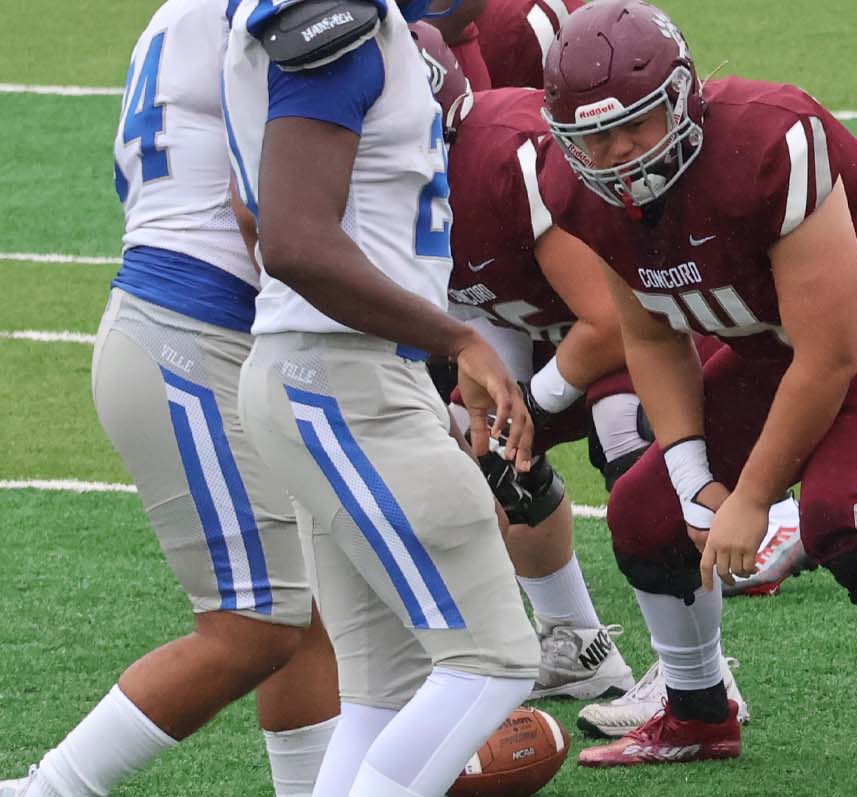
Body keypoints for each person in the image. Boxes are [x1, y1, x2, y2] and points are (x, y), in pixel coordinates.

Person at [539, 2, 857, 791]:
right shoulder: (575, 191)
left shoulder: (769, 142)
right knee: (647, 512)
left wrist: (752, 497)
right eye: (593, 137)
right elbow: (653, 336)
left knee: (841, 507)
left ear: (682, 97)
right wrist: (695, 480)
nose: (617, 152)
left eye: (634, 124)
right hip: (779, 346)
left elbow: (831, 354)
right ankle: (698, 711)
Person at [0, 2, 340, 795]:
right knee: (254, 624)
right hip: (193, 337)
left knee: (303, 614)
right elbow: (262, 212)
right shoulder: (270, 15)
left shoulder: (176, 17)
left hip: (181, 326)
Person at [222, 1, 540, 794]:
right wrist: (458, 339)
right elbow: (294, 239)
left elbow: (252, 208)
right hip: (343, 378)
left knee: (383, 690)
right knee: (494, 659)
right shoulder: (333, 25)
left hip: (328, 374)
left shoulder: (353, 24)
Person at [439, 84, 759, 724]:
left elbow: (617, 323)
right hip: (560, 336)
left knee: (627, 431)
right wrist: (501, 401)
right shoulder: (391, 194)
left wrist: (534, 400)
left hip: (653, 330)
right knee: (483, 444)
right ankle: (574, 643)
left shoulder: (500, 161)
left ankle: (696, 675)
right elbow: (481, 301)